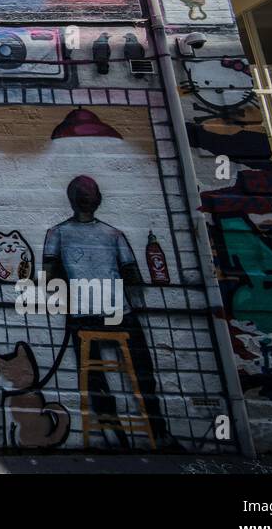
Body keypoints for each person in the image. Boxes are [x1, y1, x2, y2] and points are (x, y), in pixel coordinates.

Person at [42, 175, 178, 449]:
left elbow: (49, 276)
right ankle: (158, 429)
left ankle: (111, 429)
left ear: (70, 200)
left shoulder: (56, 234)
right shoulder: (114, 234)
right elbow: (133, 276)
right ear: (99, 200)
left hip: (81, 315)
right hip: (119, 313)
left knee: (93, 375)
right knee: (142, 372)